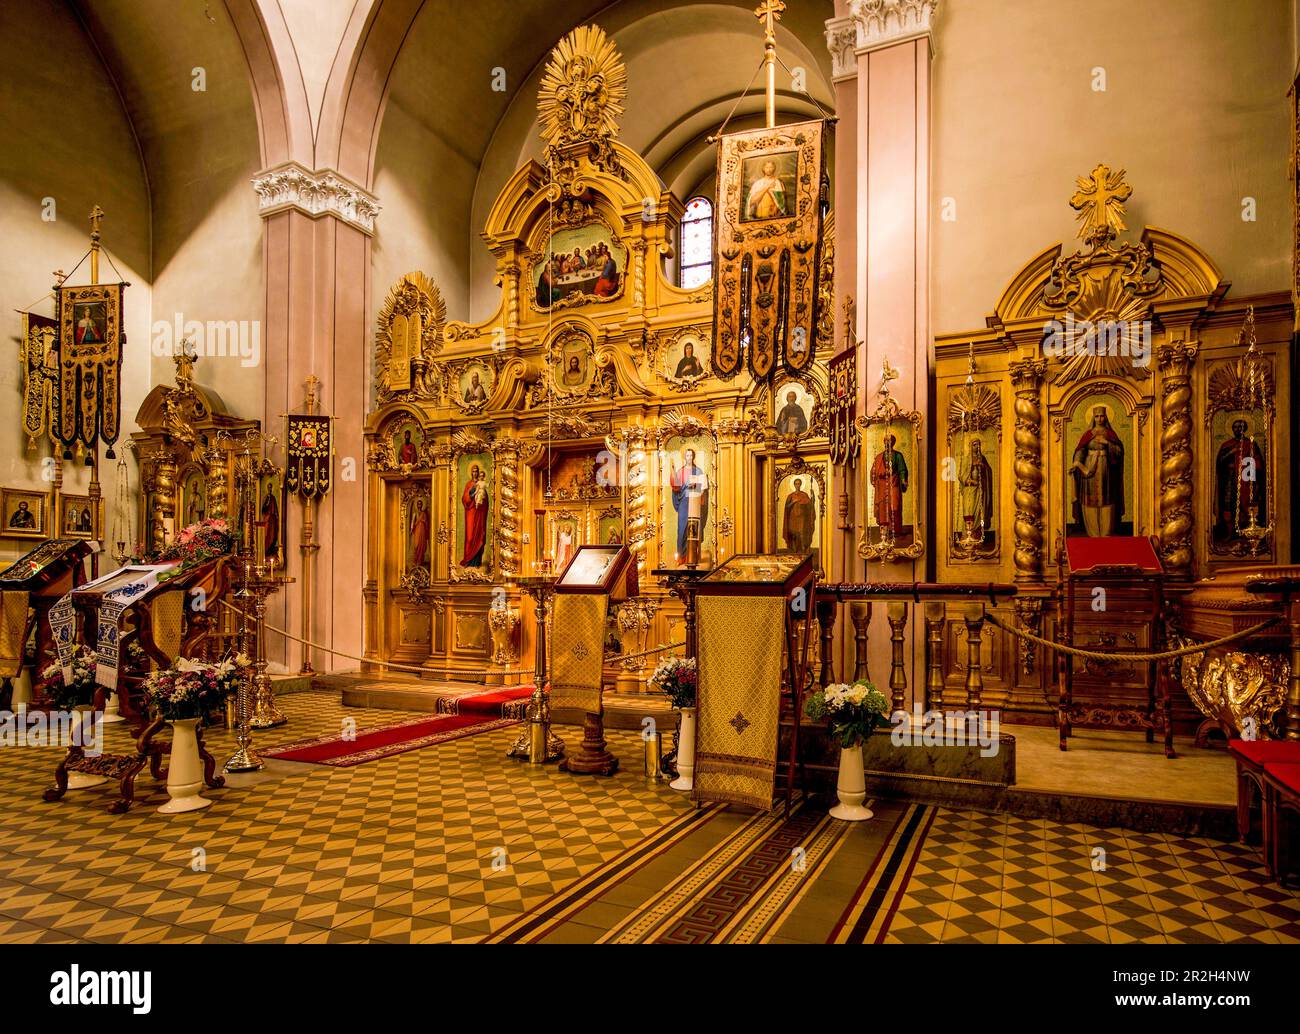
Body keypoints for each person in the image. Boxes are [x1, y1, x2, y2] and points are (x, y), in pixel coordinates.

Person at [1070, 406, 1124, 537]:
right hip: (1088, 471)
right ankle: (1093, 533)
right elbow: (1080, 451)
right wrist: (1076, 463)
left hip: (1107, 470)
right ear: (1093, 418)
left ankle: (1106, 533)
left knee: (1107, 499)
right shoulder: (1088, 435)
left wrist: (1107, 443)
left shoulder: (1110, 434)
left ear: (1105, 417)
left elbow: (1119, 452)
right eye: (1096, 416)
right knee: (1089, 499)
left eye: (1102, 416)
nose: (1099, 419)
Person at [1214, 418, 1267, 541]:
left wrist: (1254, 480)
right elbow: (1219, 462)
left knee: (1246, 504)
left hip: (1245, 480)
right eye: (1235, 427)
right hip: (1229, 480)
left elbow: (1257, 463)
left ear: (1245, 429)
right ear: (1232, 429)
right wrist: (1232, 452)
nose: (1238, 429)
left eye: (1240, 427)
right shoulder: (1226, 445)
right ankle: (1230, 532)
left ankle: (1247, 533)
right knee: (1228, 505)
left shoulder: (1251, 444)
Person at [670, 447, 709, 558]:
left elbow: (703, 488)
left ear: (694, 457)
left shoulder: (698, 471)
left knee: (693, 529)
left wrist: (696, 486)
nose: (689, 458)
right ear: (684, 457)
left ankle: (692, 556)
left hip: (694, 503)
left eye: (691, 455)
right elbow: (676, 488)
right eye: (687, 455)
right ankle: (681, 556)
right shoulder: (680, 471)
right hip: (683, 503)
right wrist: (673, 475)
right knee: (682, 529)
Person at [870, 434, 909, 538]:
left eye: (889, 441)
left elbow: (902, 469)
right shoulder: (879, 457)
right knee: (883, 507)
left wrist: (903, 480)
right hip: (882, 485)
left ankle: (895, 530)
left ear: (893, 443)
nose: (887, 443)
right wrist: (875, 478)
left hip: (894, 482)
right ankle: (884, 530)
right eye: (886, 441)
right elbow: (873, 471)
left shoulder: (898, 456)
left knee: (894, 506)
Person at [959, 437, 994, 543]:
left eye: (979, 444)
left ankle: (978, 536)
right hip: (969, 490)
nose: (977, 447)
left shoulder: (982, 458)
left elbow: (989, 471)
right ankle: (967, 535)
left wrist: (983, 467)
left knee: (980, 513)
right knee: (969, 511)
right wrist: (969, 480)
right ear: (970, 446)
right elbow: (961, 475)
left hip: (979, 490)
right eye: (975, 445)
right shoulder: (966, 458)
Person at [460, 463, 489, 567]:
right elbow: (464, 499)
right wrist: (472, 493)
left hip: (479, 513)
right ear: (471, 473)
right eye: (473, 471)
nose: (475, 473)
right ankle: (468, 559)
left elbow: (485, 499)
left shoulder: (482, 483)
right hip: (471, 513)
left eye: (477, 471)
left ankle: (477, 562)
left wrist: (482, 499)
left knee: (479, 535)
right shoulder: (469, 484)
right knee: (470, 537)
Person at [783, 477, 816, 553]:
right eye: (796, 484)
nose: (797, 485)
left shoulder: (804, 495)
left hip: (802, 518)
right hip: (793, 518)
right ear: (794, 485)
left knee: (801, 534)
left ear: (801, 485)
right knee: (793, 534)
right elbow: (787, 507)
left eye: (799, 484)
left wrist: (813, 496)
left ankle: (803, 550)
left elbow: (810, 506)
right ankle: (794, 551)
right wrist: (793, 502)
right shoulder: (790, 496)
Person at [410, 498, 430, 568]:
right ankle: (416, 560)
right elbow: (412, 522)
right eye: (418, 504)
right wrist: (411, 529)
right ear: (417, 505)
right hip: (417, 530)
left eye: (420, 504)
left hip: (423, 530)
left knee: (422, 545)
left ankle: (420, 561)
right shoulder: (415, 513)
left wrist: (424, 521)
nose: (419, 505)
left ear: (422, 505)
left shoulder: (423, 513)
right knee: (417, 544)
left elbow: (426, 522)